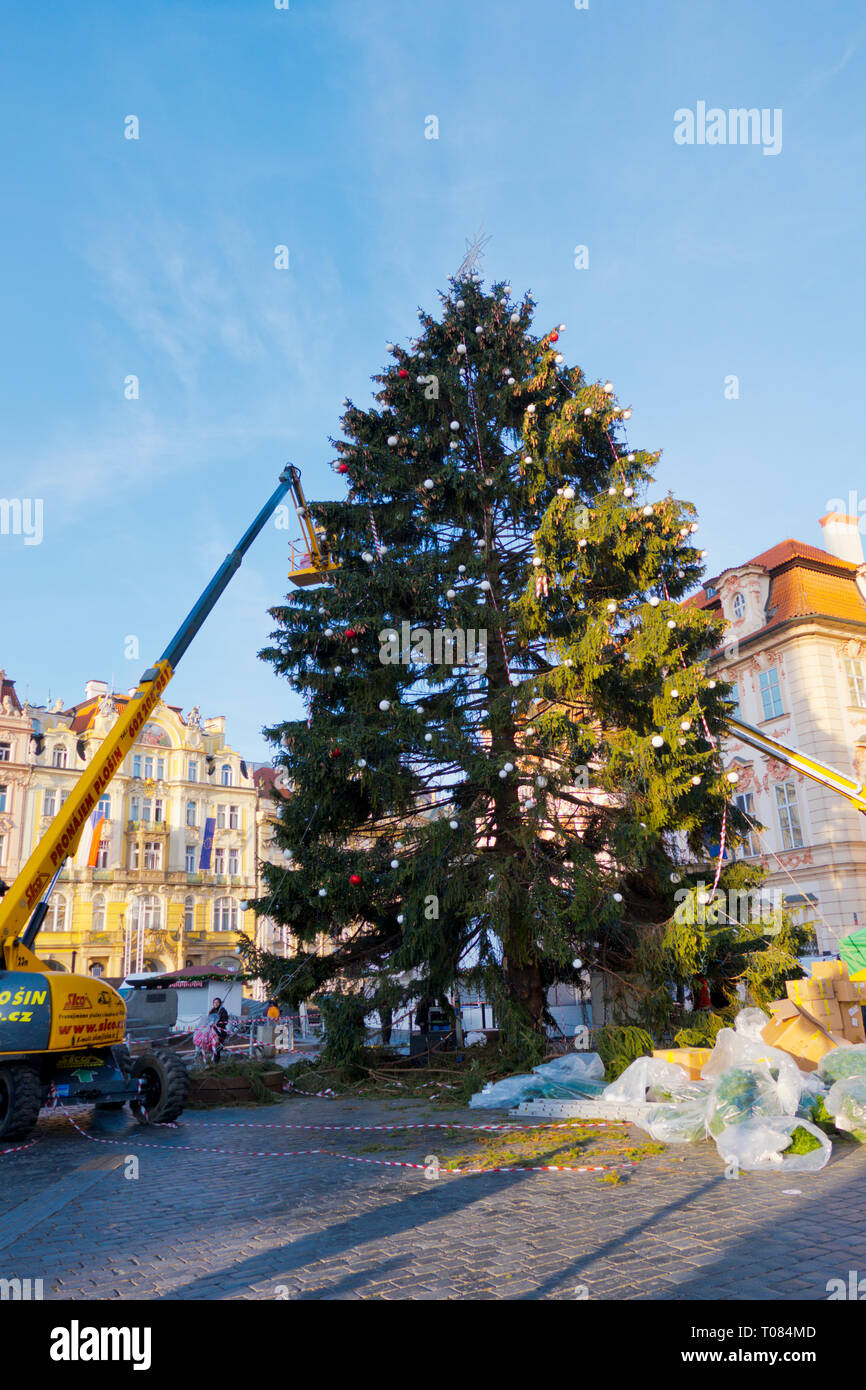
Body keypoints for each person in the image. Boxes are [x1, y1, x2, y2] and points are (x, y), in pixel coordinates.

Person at [208, 996, 229, 1062]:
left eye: (217, 1002)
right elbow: (209, 1019)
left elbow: (225, 1021)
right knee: (212, 1046)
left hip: (220, 1032)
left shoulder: (223, 1011)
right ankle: (213, 1060)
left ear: (220, 1003)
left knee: (217, 1047)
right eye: (214, 1002)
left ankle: (216, 1062)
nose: (216, 1004)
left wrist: (217, 1023)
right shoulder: (212, 1011)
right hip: (212, 1031)